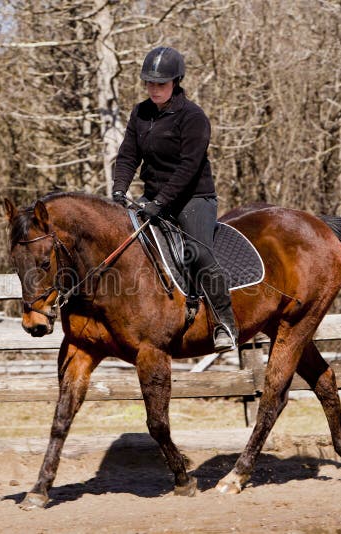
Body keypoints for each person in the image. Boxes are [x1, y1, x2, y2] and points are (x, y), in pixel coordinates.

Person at [112, 46, 238, 354]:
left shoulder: (192, 117)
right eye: (149, 83)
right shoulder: (140, 113)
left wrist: (162, 202)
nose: (154, 89)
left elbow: (188, 168)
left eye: (161, 83)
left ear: (176, 82)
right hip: (154, 197)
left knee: (198, 252)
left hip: (193, 198)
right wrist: (118, 188)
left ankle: (225, 323)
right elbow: (128, 155)